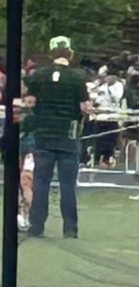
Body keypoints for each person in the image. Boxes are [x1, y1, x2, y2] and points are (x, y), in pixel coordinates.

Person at [22, 35, 93, 239]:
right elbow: (84, 107)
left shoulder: (38, 76)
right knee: (67, 185)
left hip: (44, 135)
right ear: (69, 53)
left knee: (41, 182)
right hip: (68, 137)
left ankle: (36, 227)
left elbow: (30, 102)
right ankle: (70, 228)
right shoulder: (77, 78)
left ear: (51, 53)